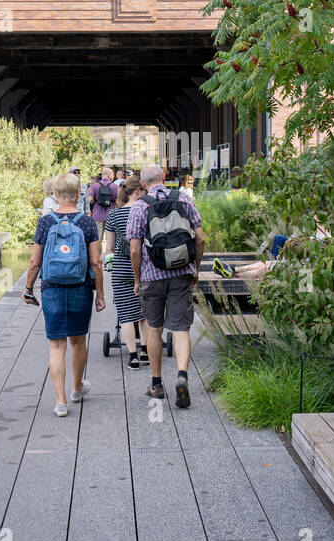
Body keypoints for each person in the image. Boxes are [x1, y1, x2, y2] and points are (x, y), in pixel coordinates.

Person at [24, 173, 106, 418]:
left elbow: (34, 262)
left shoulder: (45, 222)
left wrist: (28, 289)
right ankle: (77, 388)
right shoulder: (88, 223)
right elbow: (96, 263)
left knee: (56, 344)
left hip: (52, 289)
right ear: (79, 194)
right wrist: (100, 294)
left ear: (55, 195)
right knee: (78, 341)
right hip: (81, 288)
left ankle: (60, 401)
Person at [127, 164, 206, 408]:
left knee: (154, 329)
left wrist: (138, 279)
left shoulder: (140, 206)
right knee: (181, 328)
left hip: (152, 277)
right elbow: (201, 238)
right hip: (181, 273)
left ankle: (157, 384)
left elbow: (134, 249)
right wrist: (196, 269)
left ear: (142, 184)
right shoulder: (183, 198)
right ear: (164, 177)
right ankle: (181, 376)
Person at [104, 175, 151, 369]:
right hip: (145, 267)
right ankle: (146, 352)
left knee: (125, 314)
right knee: (145, 313)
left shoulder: (114, 215)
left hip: (122, 268)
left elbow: (109, 249)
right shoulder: (148, 212)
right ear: (138, 191)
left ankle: (132, 357)